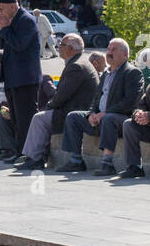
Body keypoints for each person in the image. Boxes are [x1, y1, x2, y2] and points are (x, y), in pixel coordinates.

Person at [15, 34, 99, 170]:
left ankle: (35, 158)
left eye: (62, 45)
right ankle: (34, 155)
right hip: (75, 108)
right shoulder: (78, 62)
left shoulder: (76, 66)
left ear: (72, 49)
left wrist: (49, 107)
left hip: (75, 111)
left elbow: (62, 95)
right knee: (42, 116)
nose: (59, 47)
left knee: (39, 118)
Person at [58, 39, 142, 174]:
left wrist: (105, 113)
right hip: (101, 117)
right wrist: (91, 113)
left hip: (121, 119)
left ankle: (107, 164)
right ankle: (76, 160)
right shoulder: (106, 74)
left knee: (109, 118)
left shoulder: (132, 73)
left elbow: (130, 102)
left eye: (114, 49)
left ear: (125, 55)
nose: (109, 52)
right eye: (108, 49)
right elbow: (96, 98)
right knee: (73, 117)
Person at [0, 0, 42, 158]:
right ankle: (20, 152)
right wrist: (1, 28)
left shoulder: (26, 20)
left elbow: (19, 45)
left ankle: (30, 154)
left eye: (2, 9)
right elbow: (0, 43)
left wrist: (5, 28)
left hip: (25, 78)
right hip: (13, 77)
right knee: (16, 119)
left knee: (25, 118)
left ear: (13, 6)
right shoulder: (10, 21)